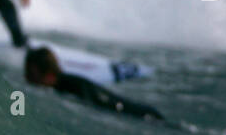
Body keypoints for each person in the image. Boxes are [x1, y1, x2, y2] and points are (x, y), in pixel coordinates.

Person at [25, 47, 163, 120]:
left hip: (144, 116)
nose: (27, 79)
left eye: (31, 74)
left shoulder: (70, 87)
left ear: (48, 75)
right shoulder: (68, 82)